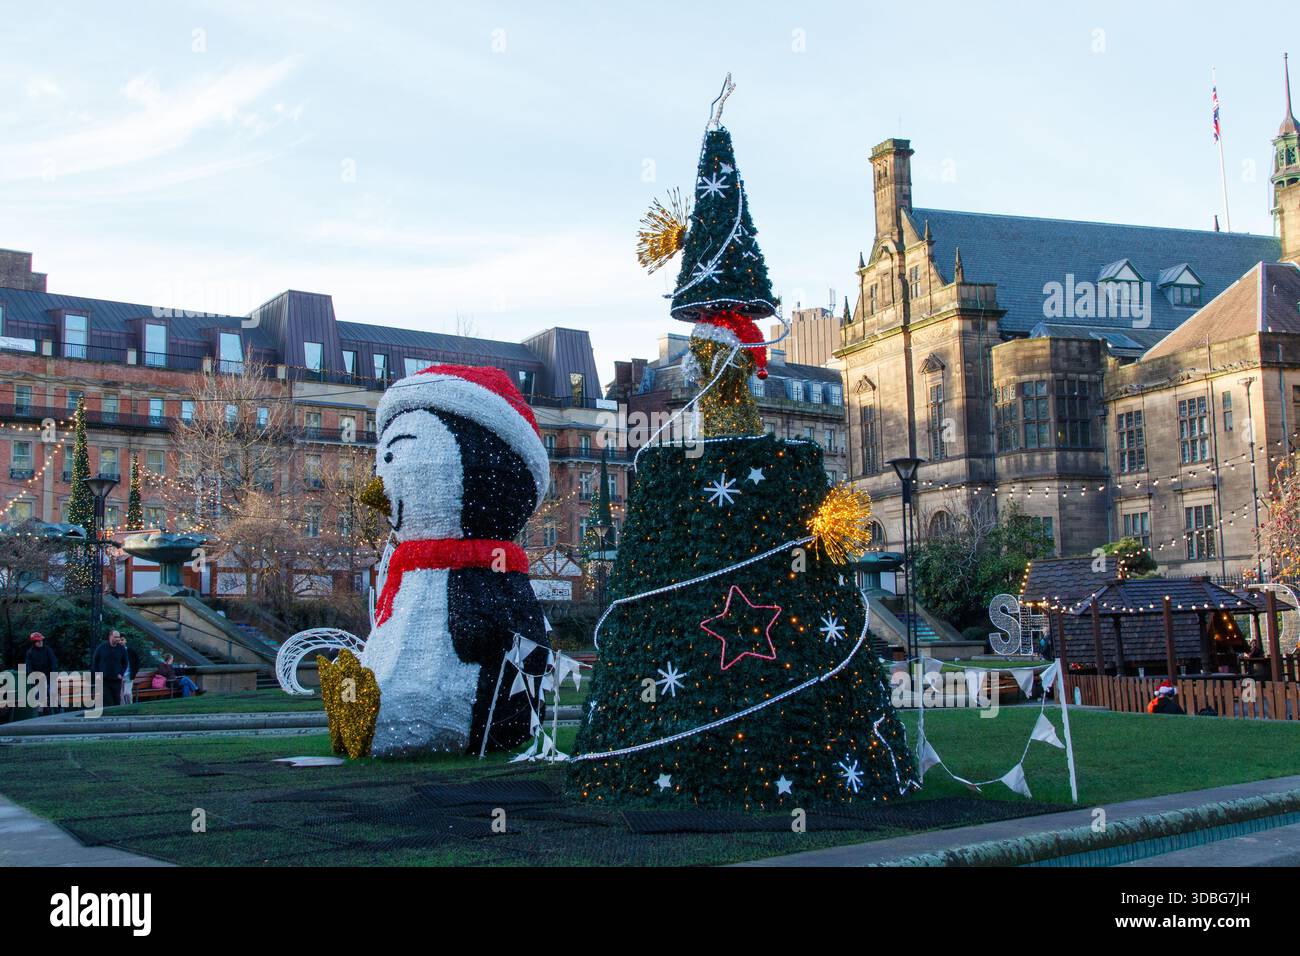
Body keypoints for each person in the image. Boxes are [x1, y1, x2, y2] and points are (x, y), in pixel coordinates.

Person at [91, 630, 128, 709]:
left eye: (118, 637)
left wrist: (121, 674)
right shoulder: (101, 648)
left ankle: (116, 717)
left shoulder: (121, 649)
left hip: (116, 679)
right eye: (115, 637)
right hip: (104, 679)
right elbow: (95, 662)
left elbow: (125, 663)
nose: (117, 639)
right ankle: (108, 717)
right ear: (110, 637)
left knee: (116, 700)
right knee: (107, 700)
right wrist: (98, 674)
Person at [24, 632, 59, 715]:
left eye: (41, 641)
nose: (40, 642)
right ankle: (41, 713)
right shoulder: (30, 653)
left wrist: (53, 672)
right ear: (34, 643)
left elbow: (54, 661)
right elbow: (28, 667)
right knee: (39, 694)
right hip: (37, 679)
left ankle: (55, 710)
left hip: (49, 677)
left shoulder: (47, 649)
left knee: (52, 692)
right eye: (38, 641)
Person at [120, 636, 141, 705]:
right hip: (119, 676)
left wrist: (134, 672)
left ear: (125, 641)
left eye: (122, 640)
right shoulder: (116, 651)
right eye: (119, 640)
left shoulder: (130, 651)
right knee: (121, 695)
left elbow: (137, 662)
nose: (121, 642)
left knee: (127, 693)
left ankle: (129, 705)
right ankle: (122, 709)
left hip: (128, 675)